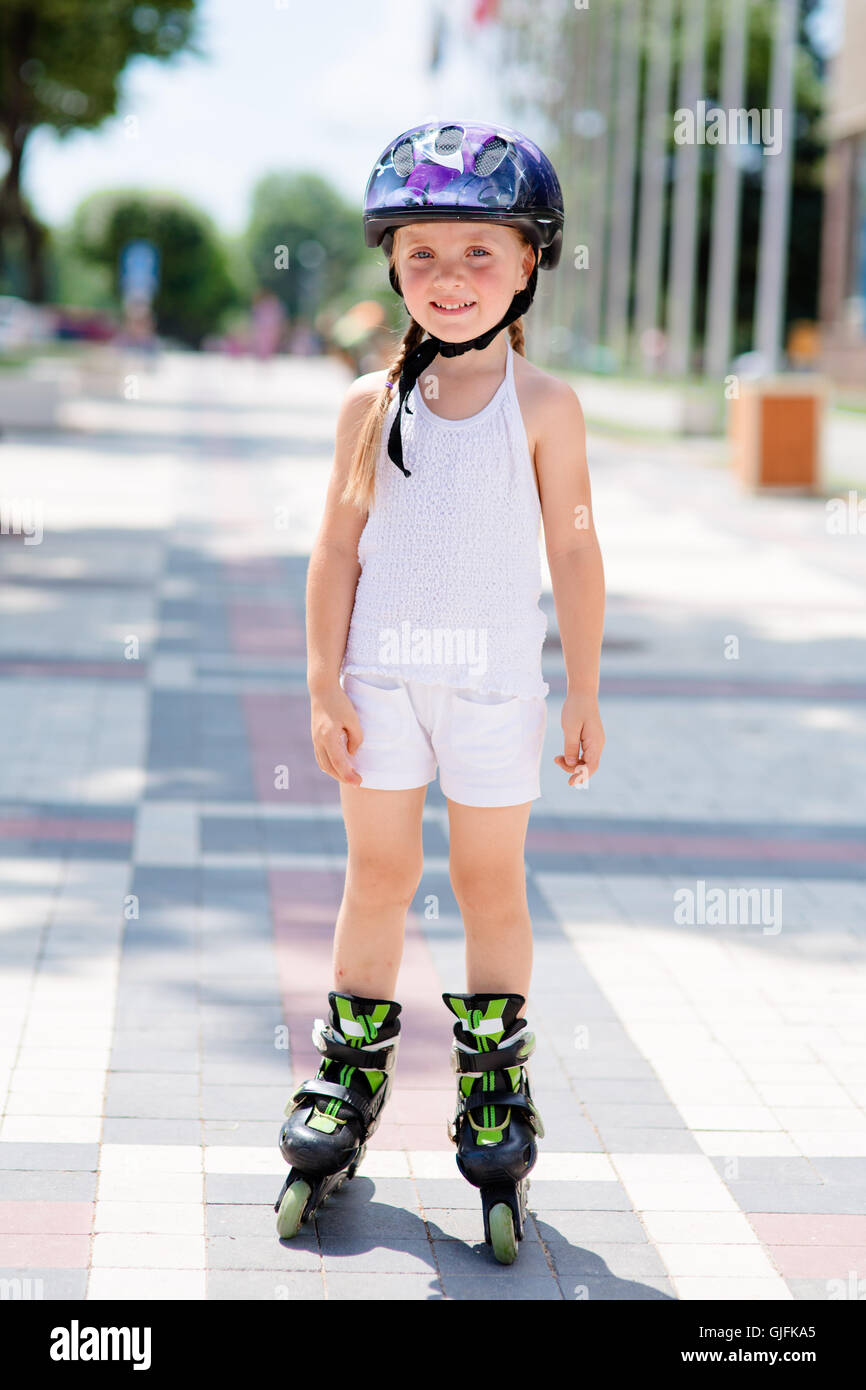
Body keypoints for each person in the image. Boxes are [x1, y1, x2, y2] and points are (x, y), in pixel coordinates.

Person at [275, 120, 606, 1263]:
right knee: (378, 873)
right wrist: (322, 684)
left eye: (478, 252)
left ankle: (492, 1090)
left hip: (495, 690)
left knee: (486, 880)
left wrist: (582, 685)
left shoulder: (546, 406)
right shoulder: (369, 403)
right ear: (389, 266)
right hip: (382, 682)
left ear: (527, 263)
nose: (448, 278)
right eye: (421, 254)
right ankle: (347, 1073)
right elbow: (334, 550)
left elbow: (572, 549)